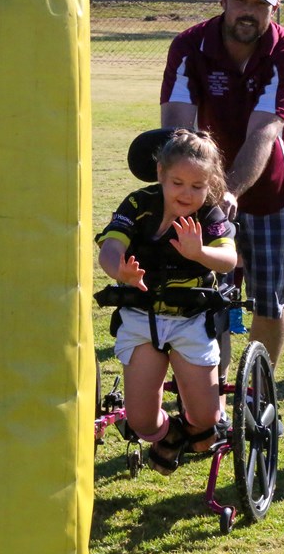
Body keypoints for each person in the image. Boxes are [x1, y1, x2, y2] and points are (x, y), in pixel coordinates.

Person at [160, 0, 284, 371]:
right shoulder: (190, 45)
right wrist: (191, 189)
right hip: (204, 189)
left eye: (260, 5)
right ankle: (216, 395)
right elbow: (177, 126)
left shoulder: (283, 51)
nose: (249, 12)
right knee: (208, 295)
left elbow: (264, 130)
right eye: (241, 1)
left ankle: (259, 393)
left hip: (274, 192)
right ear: (223, 0)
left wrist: (230, 190)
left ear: (274, 9)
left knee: (269, 301)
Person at [95, 129, 237, 474]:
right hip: (142, 316)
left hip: (191, 319)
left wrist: (199, 252)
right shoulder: (138, 204)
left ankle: (191, 430)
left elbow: (229, 260)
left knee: (206, 420)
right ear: (160, 173)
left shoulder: (210, 215)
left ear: (210, 184)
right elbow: (110, 247)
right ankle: (167, 435)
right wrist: (120, 272)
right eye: (177, 183)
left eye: (198, 186)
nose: (187, 194)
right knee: (142, 421)